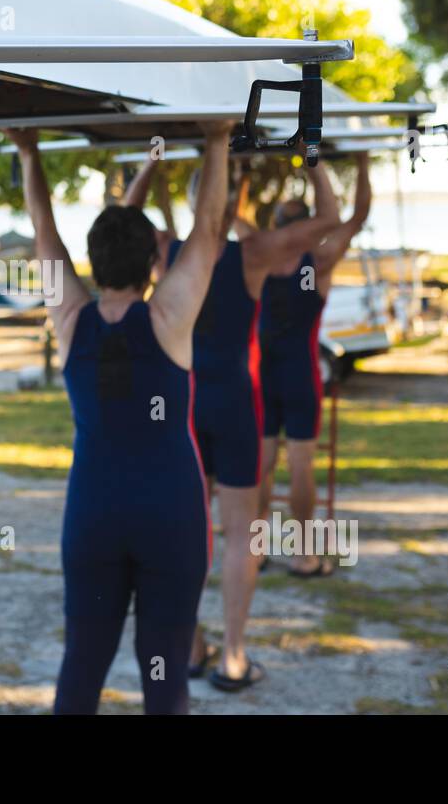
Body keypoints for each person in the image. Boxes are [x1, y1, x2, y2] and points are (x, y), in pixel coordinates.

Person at [8, 122, 231, 714]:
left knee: (83, 663)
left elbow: (44, 231)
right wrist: (217, 143)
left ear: (94, 261)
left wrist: (29, 153)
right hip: (170, 515)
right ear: (153, 263)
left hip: (94, 515)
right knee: (164, 675)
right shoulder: (168, 317)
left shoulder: (70, 318)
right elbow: (209, 232)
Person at [125, 150, 338, 691]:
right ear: (234, 200)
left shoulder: (170, 251)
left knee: (187, 528)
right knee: (245, 532)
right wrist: (309, 154)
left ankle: (192, 644)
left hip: (183, 403)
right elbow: (332, 218)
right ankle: (234, 658)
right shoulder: (255, 251)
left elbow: (123, 220)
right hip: (238, 404)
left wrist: (152, 164)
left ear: (197, 199)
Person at [249, 151, 372, 578]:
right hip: (299, 374)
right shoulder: (318, 262)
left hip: (262, 376)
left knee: (262, 463)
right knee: (299, 465)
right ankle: (303, 557)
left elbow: (229, 217)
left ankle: (256, 551)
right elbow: (354, 217)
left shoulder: (257, 259)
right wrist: (353, 162)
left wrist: (239, 173)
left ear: (278, 228)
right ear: (308, 228)